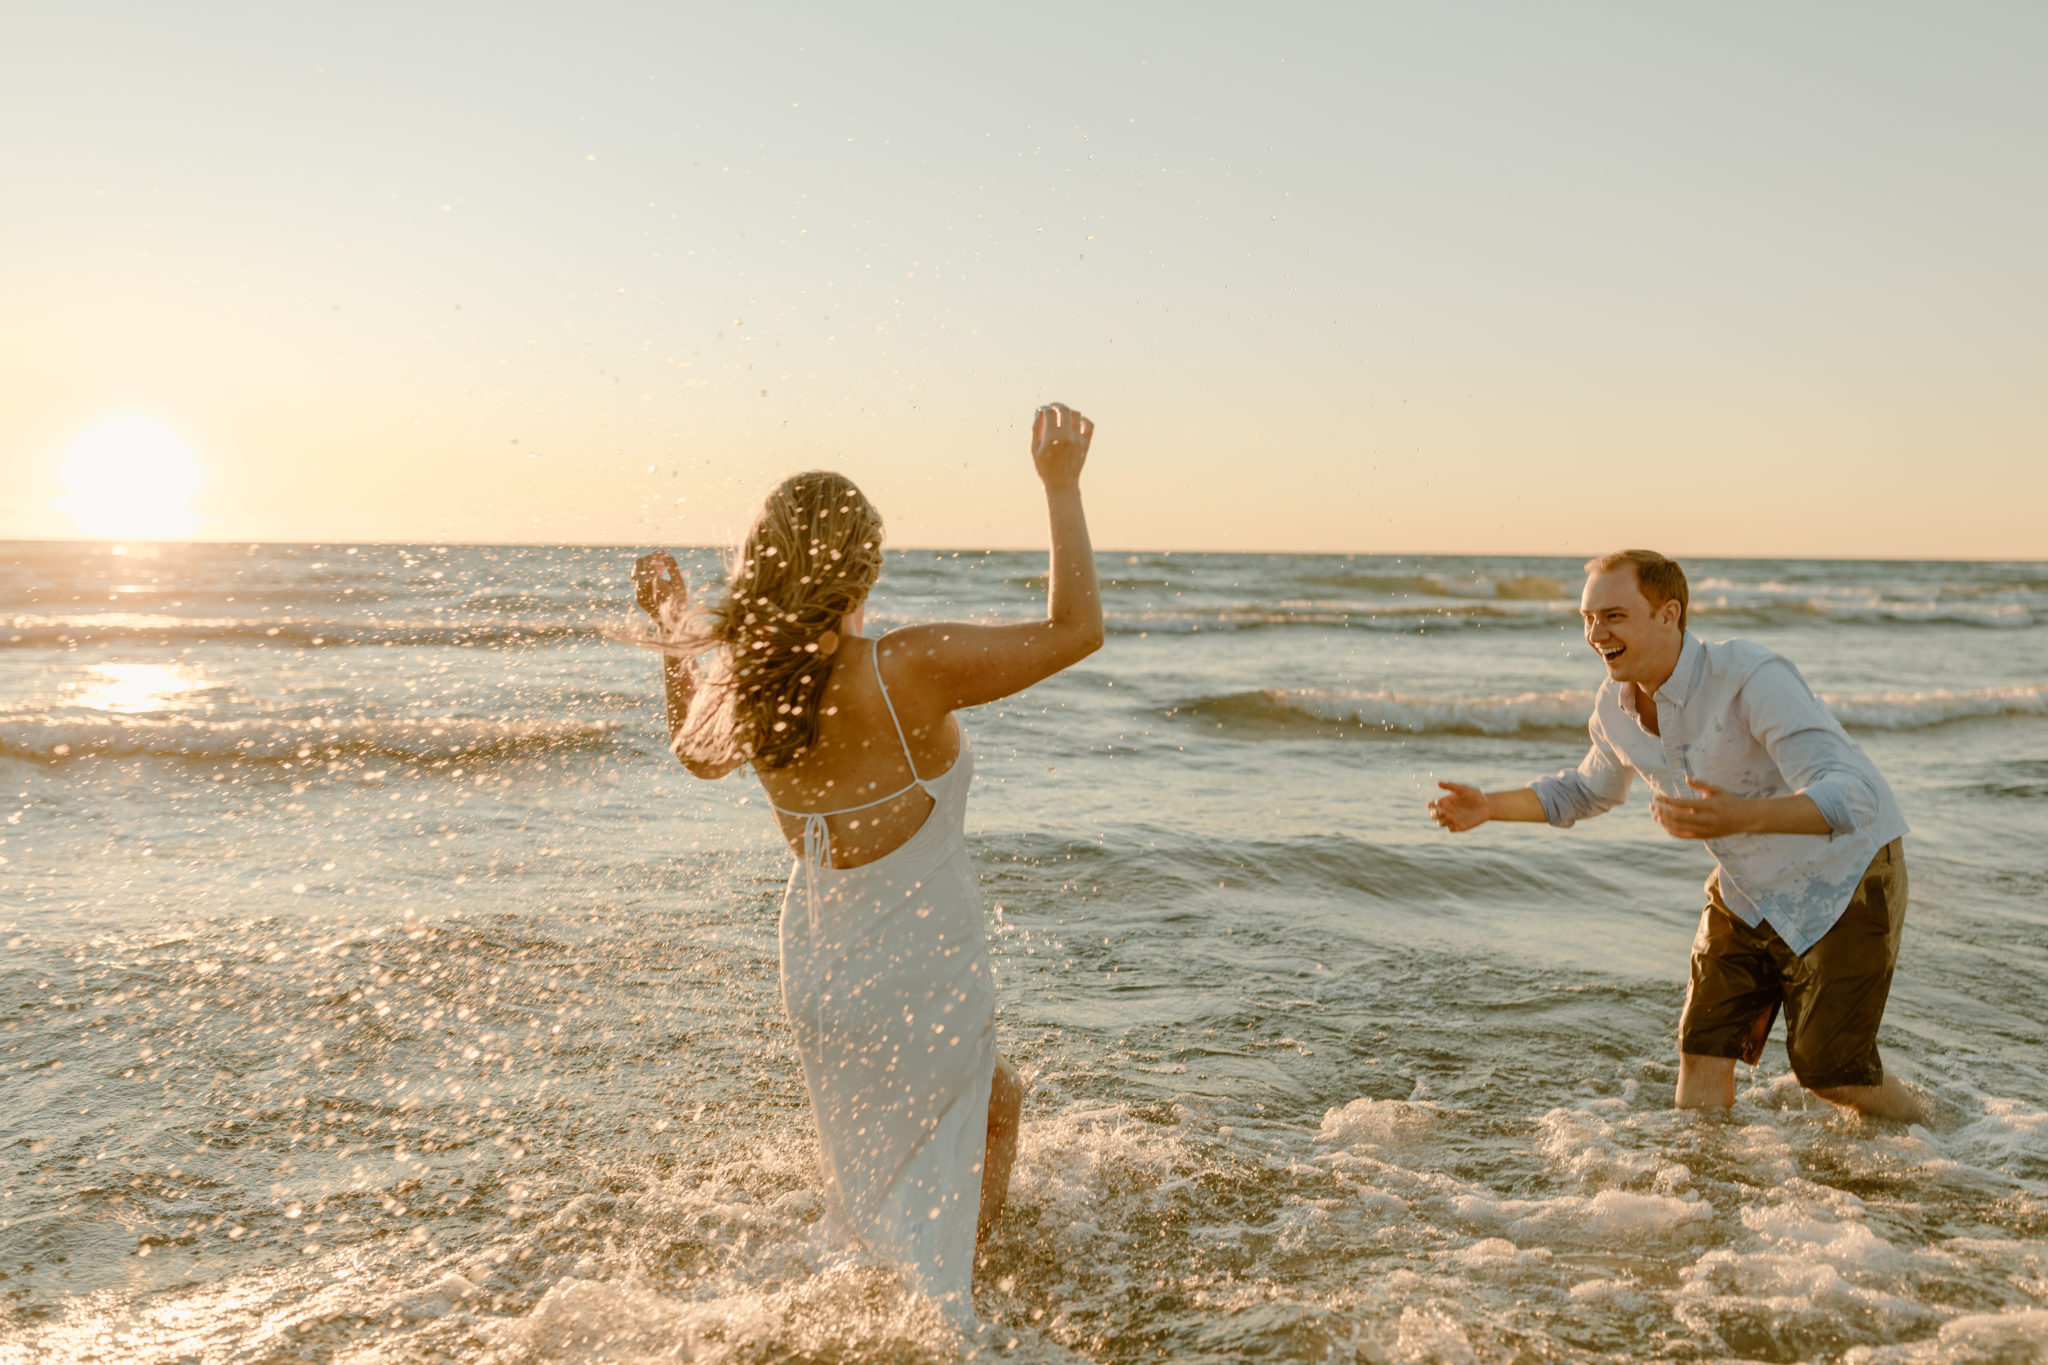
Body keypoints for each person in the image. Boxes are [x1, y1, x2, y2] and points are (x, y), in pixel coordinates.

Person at [629, 403, 1101, 1327]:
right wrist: (1062, 485)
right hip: (920, 965)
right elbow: (1076, 630)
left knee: (952, 1122)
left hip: (819, 963)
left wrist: (674, 623)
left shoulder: (753, 676)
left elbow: (694, 750)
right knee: (982, 1125)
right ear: (867, 566)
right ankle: (947, 1309)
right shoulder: (906, 665)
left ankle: (899, 1290)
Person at [1427, 550, 1920, 1121]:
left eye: (1613, 615)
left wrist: (1742, 817)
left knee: (1831, 1072)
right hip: (1747, 888)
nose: (1595, 633)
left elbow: (1853, 795)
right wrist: (1490, 806)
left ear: (1669, 614)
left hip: (1847, 877)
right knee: (1702, 1047)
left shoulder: (1750, 679)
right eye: (1587, 617)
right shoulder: (1613, 709)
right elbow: (1586, 791)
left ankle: (1940, 1154)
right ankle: (1707, 1190)